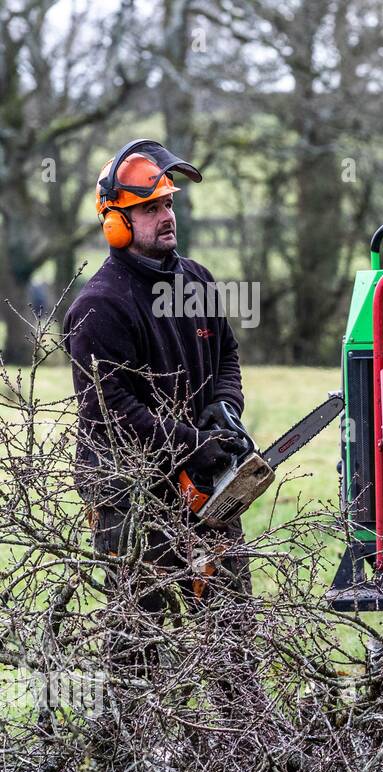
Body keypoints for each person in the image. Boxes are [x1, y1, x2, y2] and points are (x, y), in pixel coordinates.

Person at [63, 139, 252, 639]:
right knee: (141, 627)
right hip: (130, 485)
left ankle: (238, 692)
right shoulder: (99, 307)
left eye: (167, 204)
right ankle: (134, 695)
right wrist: (192, 443)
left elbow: (227, 355)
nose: (166, 216)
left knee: (232, 622)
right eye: (149, 209)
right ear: (116, 222)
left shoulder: (197, 281)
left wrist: (224, 408)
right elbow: (111, 411)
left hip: (204, 474)